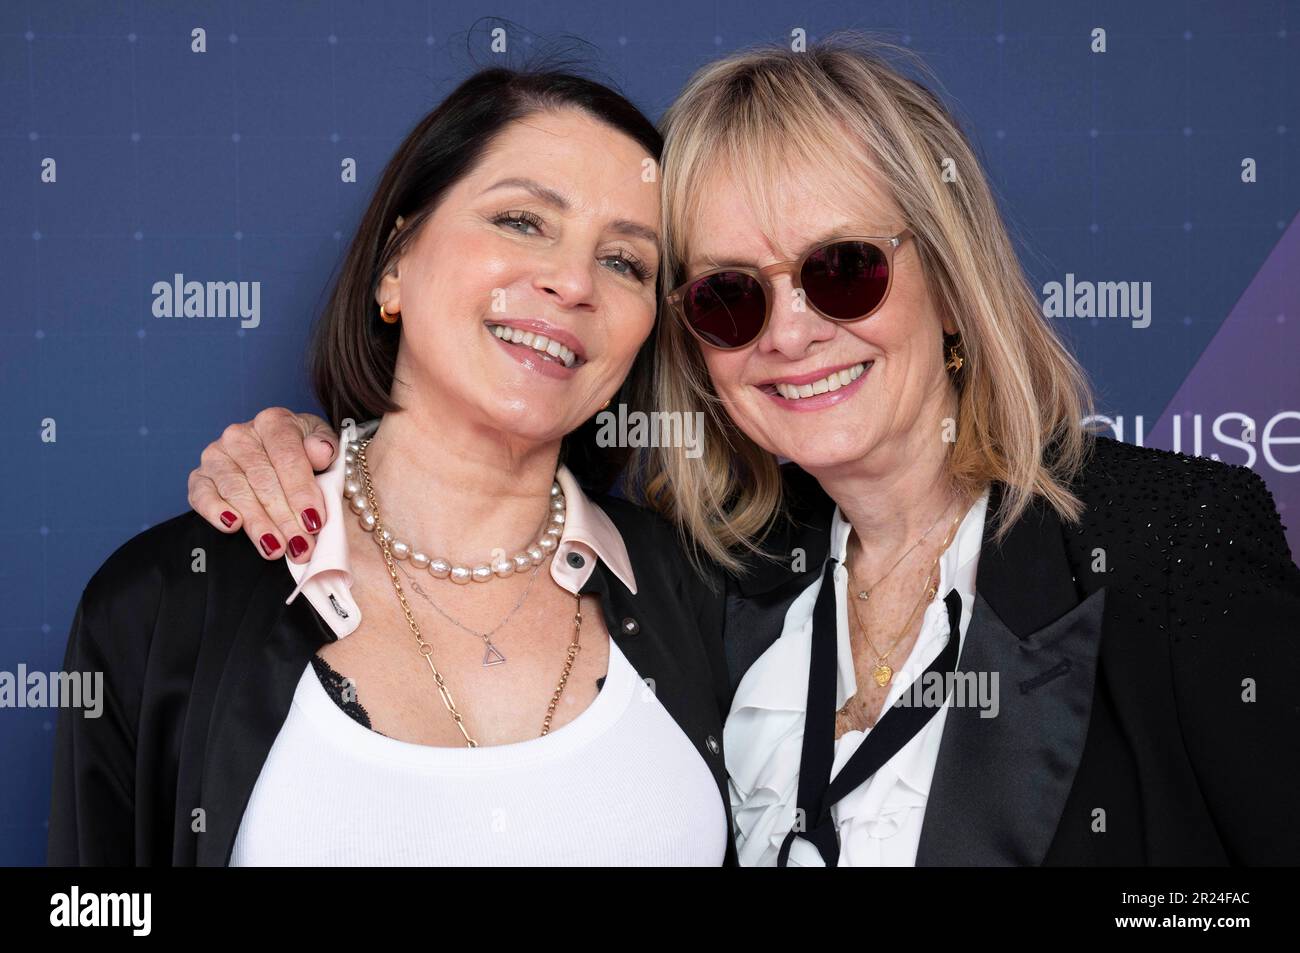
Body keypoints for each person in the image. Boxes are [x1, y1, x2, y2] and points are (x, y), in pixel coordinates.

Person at [186, 37, 1300, 867]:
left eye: (843, 268)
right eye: (727, 295)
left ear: (952, 284)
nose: (790, 330)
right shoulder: (722, 585)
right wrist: (305, 455)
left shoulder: (1159, 542)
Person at [48, 66, 733, 866]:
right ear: (395, 265)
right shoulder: (163, 605)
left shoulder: (713, 596)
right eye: (521, 220)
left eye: (626, 263)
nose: (573, 282)